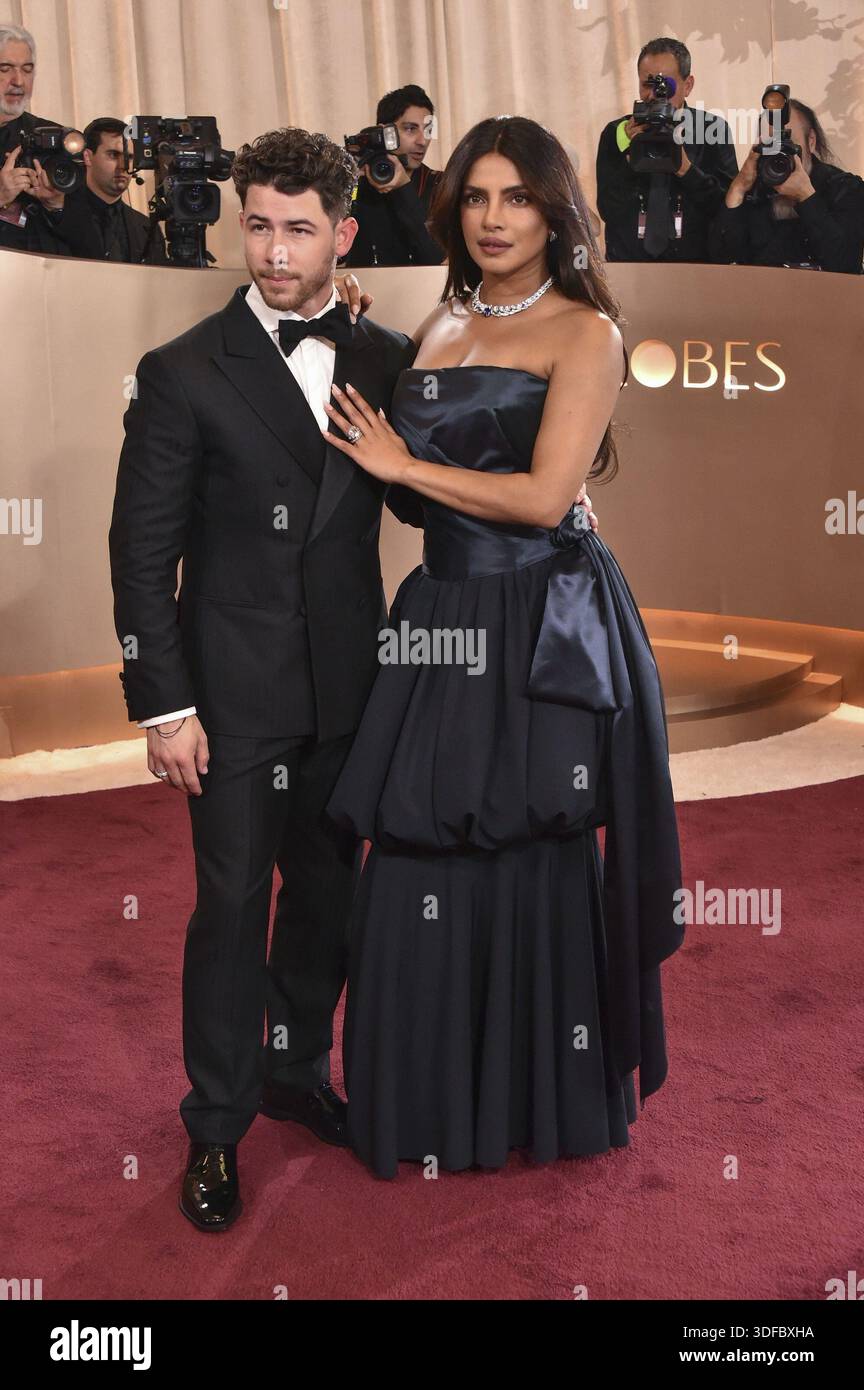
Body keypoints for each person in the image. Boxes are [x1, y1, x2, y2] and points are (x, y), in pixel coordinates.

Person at [108, 124, 601, 1231]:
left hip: (356, 688)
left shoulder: (386, 357)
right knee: (230, 909)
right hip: (230, 700)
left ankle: (294, 1070)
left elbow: (441, 491)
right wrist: (164, 704)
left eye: (298, 229)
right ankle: (218, 1124)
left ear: (343, 233)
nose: (274, 252)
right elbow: (140, 552)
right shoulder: (181, 371)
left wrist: (561, 508)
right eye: (258, 226)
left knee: (327, 903)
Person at [323, 115, 684, 1179]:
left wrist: (401, 465)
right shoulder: (437, 322)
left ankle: (533, 1097)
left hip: (534, 614)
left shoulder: (586, 333)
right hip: (441, 609)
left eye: (516, 199)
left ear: (554, 211)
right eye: (476, 198)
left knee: (529, 829)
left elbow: (538, 496)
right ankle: (423, 1095)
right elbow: (403, 469)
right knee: (418, 835)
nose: (492, 218)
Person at [596, 36, 737, 262]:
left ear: (687, 85)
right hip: (631, 264)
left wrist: (686, 170)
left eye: (665, 85)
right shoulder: (617, 132)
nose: (654, 95)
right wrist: (632, 158)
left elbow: (727, 210)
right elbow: (608, 210)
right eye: (646, 84)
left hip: (697, 267)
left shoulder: (712, 130)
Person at [710, 100, 864, 274]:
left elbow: (846, 263)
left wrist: (806, 197)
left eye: (787, 144)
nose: (778, 153)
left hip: (826, 298)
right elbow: (720, 258)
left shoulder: (844, 188)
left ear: (811, 142)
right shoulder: (754, 192)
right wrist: (738, 188)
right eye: (770, 144)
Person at [340, 83, 445, 267]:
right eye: (411, 129)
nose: (423, 141)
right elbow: (338, 254)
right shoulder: (359, 180)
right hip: (362, 292)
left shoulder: (440, 184)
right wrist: (352, 184)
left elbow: (435, 261)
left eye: (427, 130)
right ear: (384, 132)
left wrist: (404, 188)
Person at [52, 117, 168, 264]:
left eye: (129, 157)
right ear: (87, 157)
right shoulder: (57, 213)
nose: (123, 166)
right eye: (113, 155)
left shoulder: (146, 228)